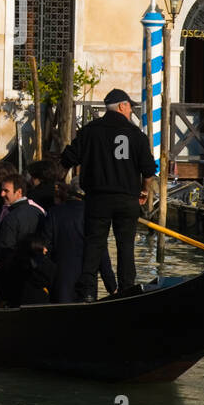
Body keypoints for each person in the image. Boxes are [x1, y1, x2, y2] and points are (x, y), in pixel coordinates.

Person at [60, 88, 156, 301]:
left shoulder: (89, 131)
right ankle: (126, 291)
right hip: (127, 199)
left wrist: (61, 187)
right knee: (126, 246)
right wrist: (144, 190)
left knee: (94, 244)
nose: (131, 111)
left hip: (98, 199)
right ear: (122, 106)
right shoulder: (136, 135)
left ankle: (86, 291)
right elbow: (149, 171)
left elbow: (66, 160)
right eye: (130, 106)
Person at [42, 180, 117, 303]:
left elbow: (46, 249)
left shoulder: (54, 213)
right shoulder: (95, 216)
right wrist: (111, 286)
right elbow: (102, 254)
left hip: (60, 283)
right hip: (87, 283)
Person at [0, 173, 46, 307]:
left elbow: (5, 251)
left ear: (19, 192)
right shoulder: (38, 212)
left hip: (14, 276)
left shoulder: (10, 218)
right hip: (37, 275)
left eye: (6, 191)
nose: (2, 194)